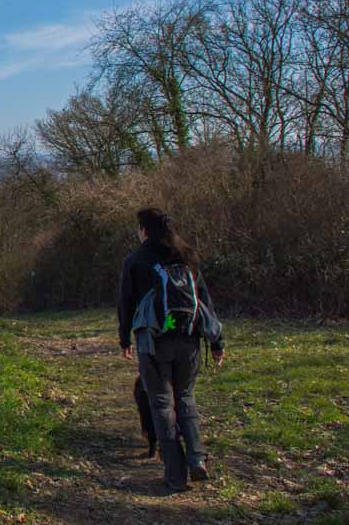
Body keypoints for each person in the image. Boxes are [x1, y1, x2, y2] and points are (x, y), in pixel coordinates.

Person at [117, 207, 225, 492]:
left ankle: (174, 475)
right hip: (188, 338)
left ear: (144, 230)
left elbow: (125, 302)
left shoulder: (135, 260)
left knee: (161, 404)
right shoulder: (187, 255)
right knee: (186, 397)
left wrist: (124, 339)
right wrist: (216, 342)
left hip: (153, 342)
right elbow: (204, 301)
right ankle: (197, 458)